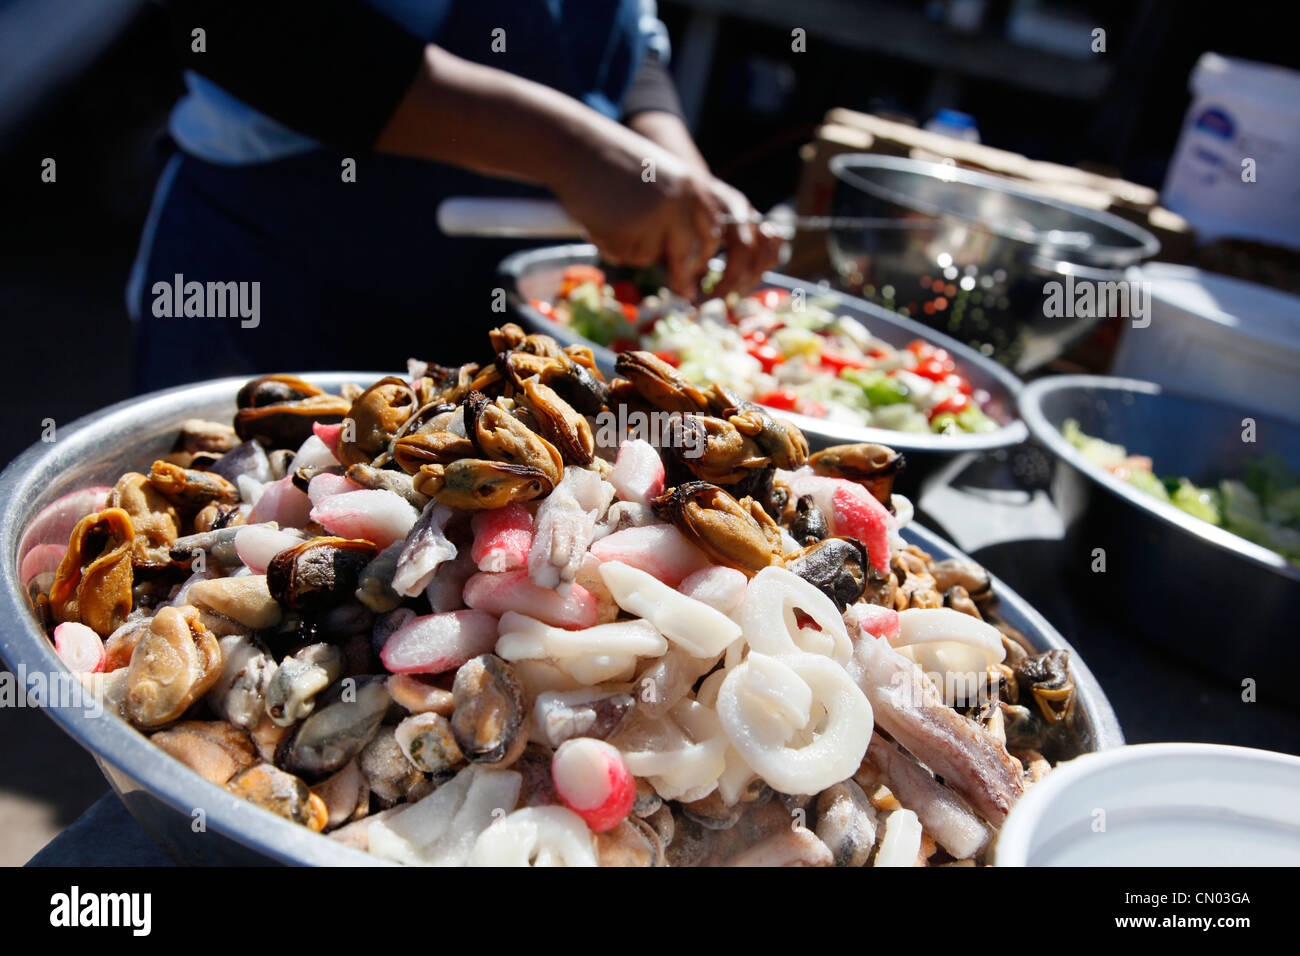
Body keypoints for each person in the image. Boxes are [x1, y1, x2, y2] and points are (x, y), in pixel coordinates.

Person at [127, 0, 781, 390]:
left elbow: (621, 37)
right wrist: (572, 149)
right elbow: (245, 24)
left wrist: (673, 170)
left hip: (496, 322)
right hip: (281, 275)